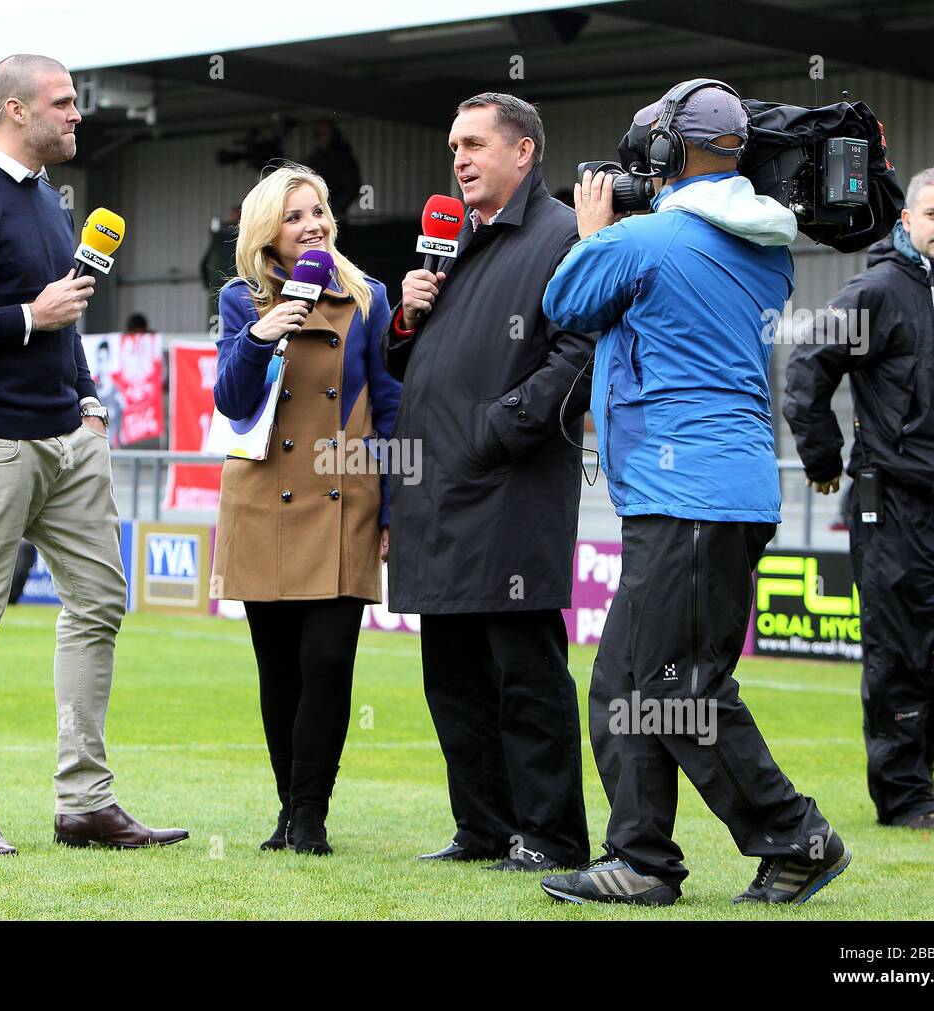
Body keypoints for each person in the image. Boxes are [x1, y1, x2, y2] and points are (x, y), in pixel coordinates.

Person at [540, 80, 849, 907]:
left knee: (676, 689)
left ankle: (797, 834)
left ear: (669, 154)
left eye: (649, 148)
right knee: (625, 688)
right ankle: (640, 857)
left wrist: (595, 231)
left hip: (688, 498)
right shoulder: (763, 244)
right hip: (717, 493)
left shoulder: (652, 238)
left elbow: (564, 300)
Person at [0, 53, 187, 856]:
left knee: (99, 602)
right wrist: (26, 317)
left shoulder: (48, 202)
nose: (77, 116)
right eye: (63, 104)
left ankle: (84, 802)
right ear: (15, 111)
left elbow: (69, 310)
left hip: (71, 437)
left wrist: (90, 397)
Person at [382, 93, 593, 873]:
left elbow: (578, 354)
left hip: (508, 493)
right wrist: (406, 316)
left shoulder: (565, 235)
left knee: (526, 680)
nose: (460, 158)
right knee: (454, 679)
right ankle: (483, 828)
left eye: (474, 143)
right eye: (453, 146)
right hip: (437, 492)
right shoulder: (459, 240)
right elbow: (412, 362)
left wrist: (496, 429)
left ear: (524, 153)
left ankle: (551, 836)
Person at [784, 166, 934, 831]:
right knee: (902, 654)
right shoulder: (877, 289)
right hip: (897, 504)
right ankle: (903, 793)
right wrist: (825, 458)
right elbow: (807, 367)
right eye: (933, 214)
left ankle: (919, 765)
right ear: (906, 220)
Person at [210, 163, 400, 855]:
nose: (313, 223)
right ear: (269, 231)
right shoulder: (241, 299)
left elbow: (391, 403)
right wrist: (263, 335)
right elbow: (231, 402)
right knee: (278, 667)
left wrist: (394, 508)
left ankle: (312, 816)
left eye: (318, 210)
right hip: (262, 495)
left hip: (343, 493)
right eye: (295, 215)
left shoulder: (369, 296)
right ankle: (287, 810)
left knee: (328, 661)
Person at [306, 120, 362, 222]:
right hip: (315, 213)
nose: (323, 138)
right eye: (319, 134)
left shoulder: (344, 159)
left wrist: (334, 209)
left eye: (326, 134)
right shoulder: (314, 158)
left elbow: (352, 188)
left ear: (335, 135)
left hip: (335, 216)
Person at [201, 206, 241, 325]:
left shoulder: (219, 234)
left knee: (218, 316)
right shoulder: (222, 235)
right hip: (226, 282)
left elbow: (205, 263)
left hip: (222, 282)